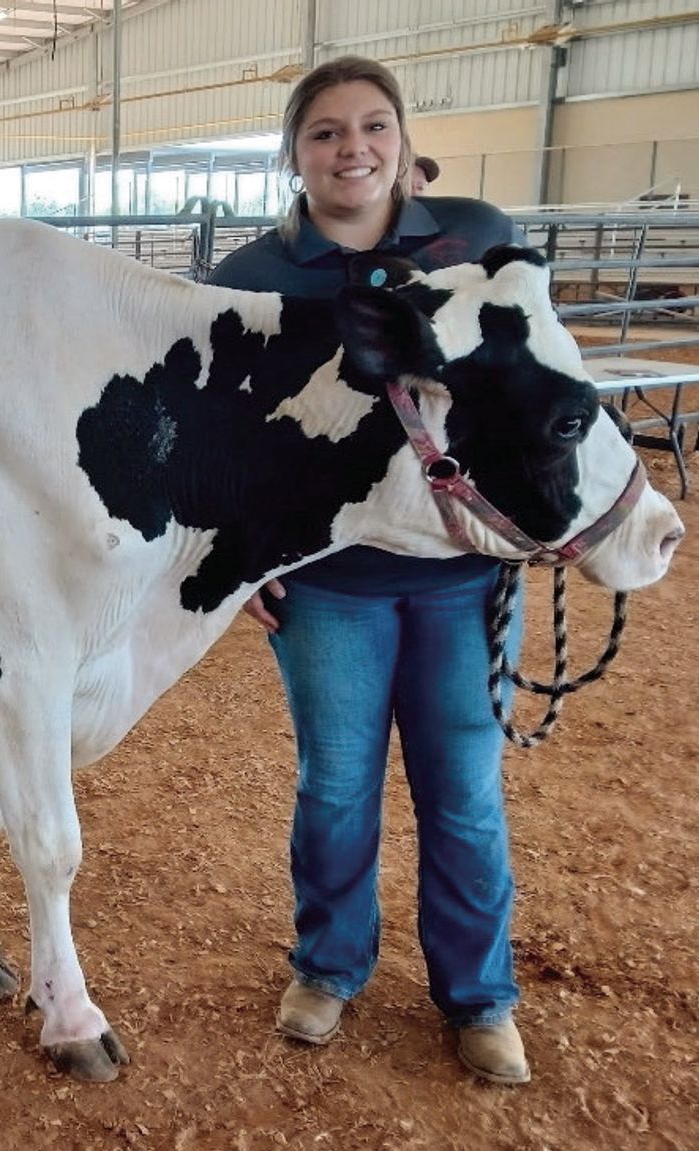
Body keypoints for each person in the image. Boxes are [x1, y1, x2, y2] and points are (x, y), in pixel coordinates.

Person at [208, 56, 531, 1085]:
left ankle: (479, 994)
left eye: (373, 125)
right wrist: (241, 557)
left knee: (465, 792)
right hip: (329, 578)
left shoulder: (477, 236)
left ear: (402, 137)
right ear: (294, 154)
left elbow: (530, 382)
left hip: (467, 572)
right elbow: (224, 435)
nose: (354, 148)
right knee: (337, 785)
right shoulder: (253, 274)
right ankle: (329, 964)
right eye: (326, 132)